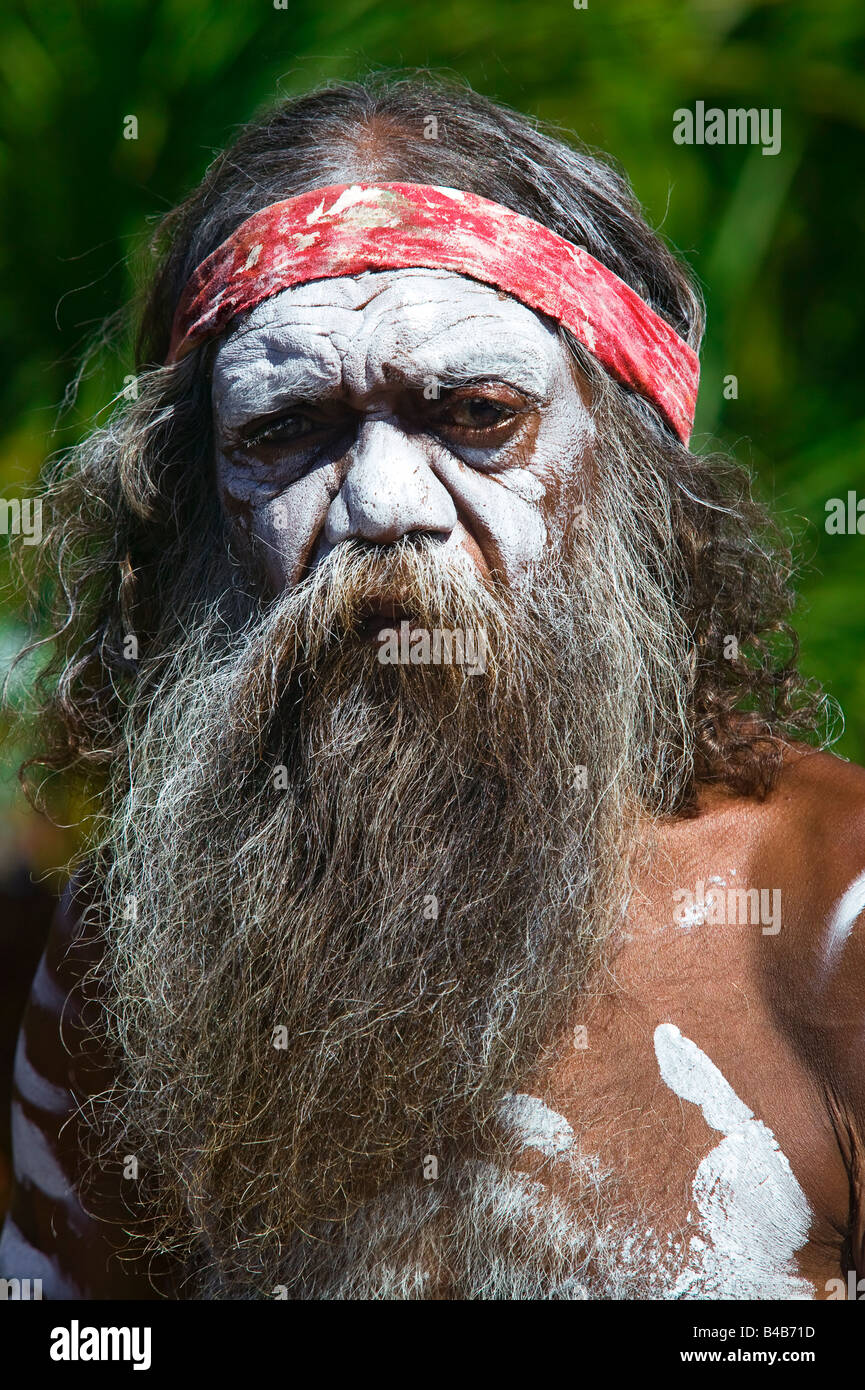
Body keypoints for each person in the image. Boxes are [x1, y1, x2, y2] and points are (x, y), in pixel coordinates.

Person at [2, 74, 862, 1300]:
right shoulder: (124, 955)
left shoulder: (833, 922)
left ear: (630, 476)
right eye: (287, 430)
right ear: (190, 514)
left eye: (476, 416)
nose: (381, 507)